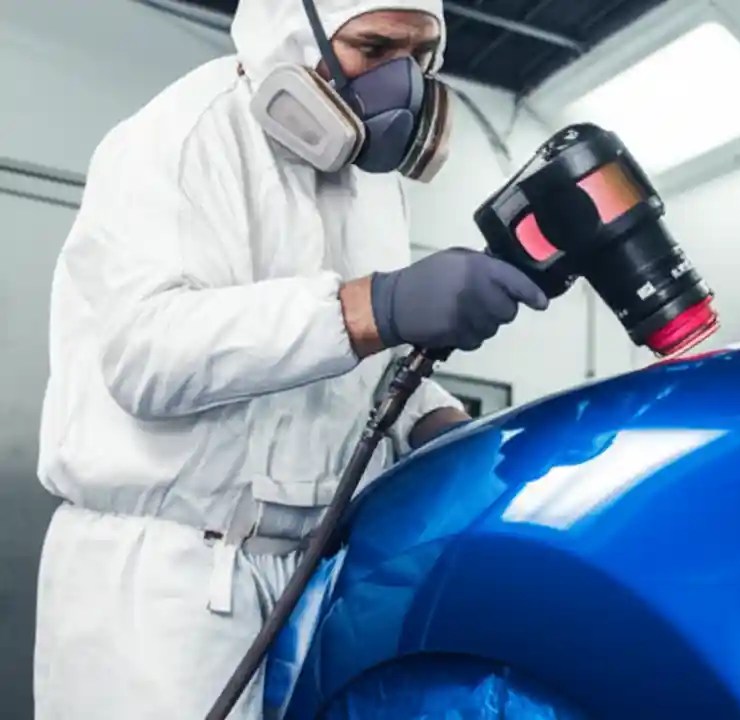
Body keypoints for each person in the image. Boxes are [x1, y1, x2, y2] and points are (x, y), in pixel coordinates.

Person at [32, 0, 547, 717]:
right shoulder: (185, 134)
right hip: (164, 588)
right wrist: (376, 306)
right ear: (291, 35)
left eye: (421, 54)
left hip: (306, 575)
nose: (401, 81)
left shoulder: (374, 185)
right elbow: (144, 354)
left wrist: (445, 427)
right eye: (373, 47)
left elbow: (361, 366)